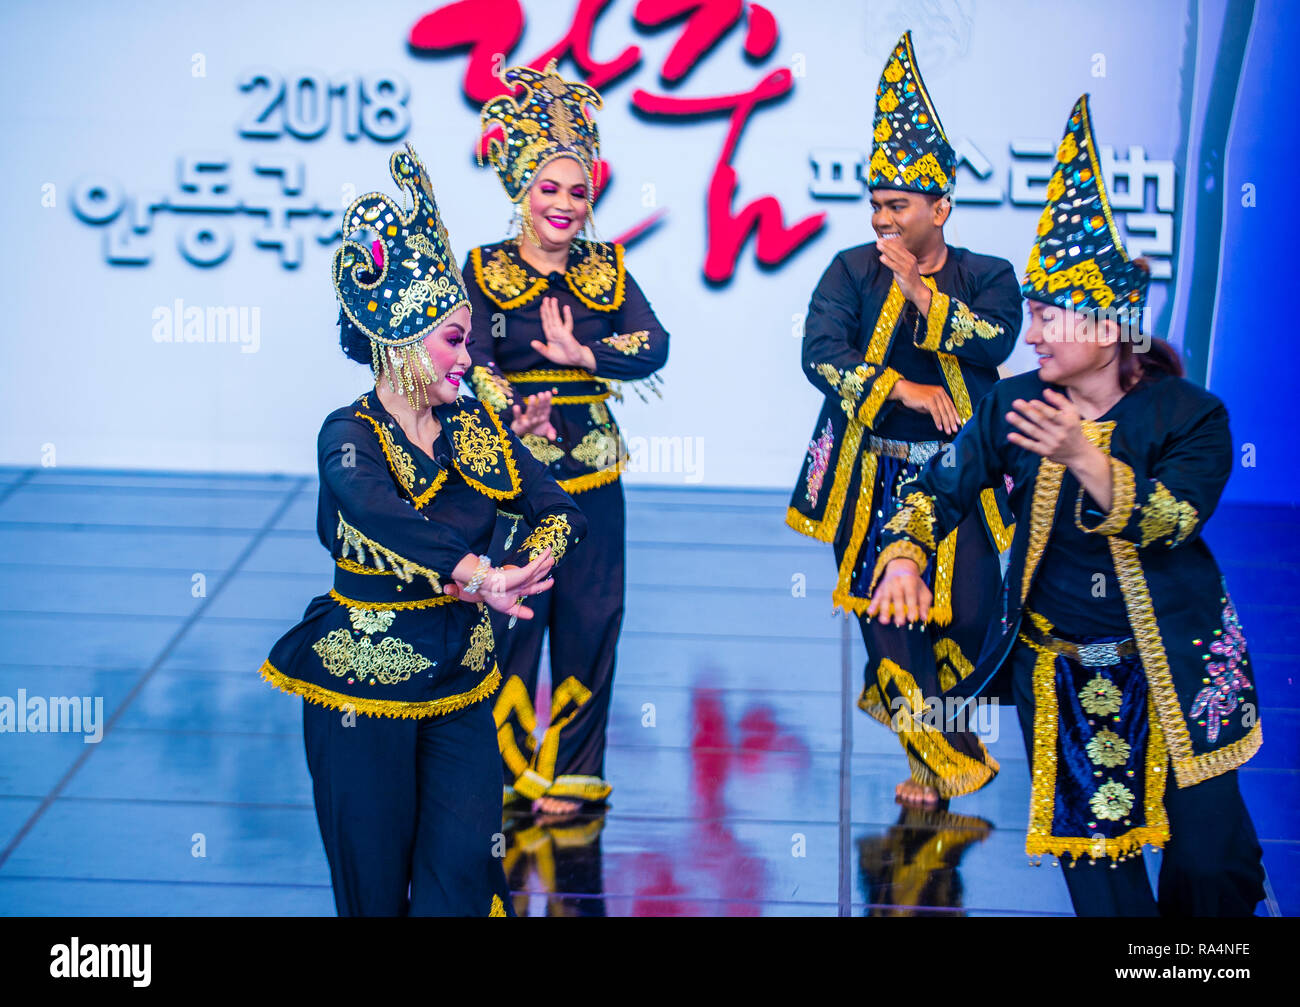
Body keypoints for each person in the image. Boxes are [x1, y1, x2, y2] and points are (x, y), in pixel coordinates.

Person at [867, 96, 1265, 916]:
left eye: (1052, 316)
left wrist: (1085, 457)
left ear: (1113, 325)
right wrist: (904, 552)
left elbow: (1173, 519)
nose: (1034, 334)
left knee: (1213, 869)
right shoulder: (1012, 402)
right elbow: (937, 488)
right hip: (1068, 675)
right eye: (1035, 313)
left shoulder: (1189, 415)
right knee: (1105, 881)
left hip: (1179, 668)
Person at [257, 144, 587, 916]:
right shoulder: (348, 434)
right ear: (400, 343)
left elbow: (558, 507)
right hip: (360, 694)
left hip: (463, 683)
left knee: (462, 882)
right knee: (373, 895)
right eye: (451, 339)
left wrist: (528, 565)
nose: (467, 358)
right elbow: (379, 513)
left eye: (467, 338)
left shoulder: (474, 422)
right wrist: (479, 573)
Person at [786, 31, 1021, 806]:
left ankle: (943, 743)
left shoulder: (986, 274)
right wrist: (901, 389)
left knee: (964, 617)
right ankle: (939, 759)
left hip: (961, 480)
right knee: (888, 620)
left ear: (941, 205)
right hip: (868, 474)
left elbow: (997, 338)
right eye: (877, 203)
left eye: (899, 204)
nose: (883, 217)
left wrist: (923, 297)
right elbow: (819, 354)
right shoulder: (849, 269)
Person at [463, 60, 669, 818]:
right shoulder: (483, 270)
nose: (564, 203)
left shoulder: (608, 268)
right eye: (549, 186)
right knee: (516, 617)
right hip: (514, 479)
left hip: (594, 474)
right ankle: (512, 768)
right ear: (520, 185)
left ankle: (576, 771)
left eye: (578, 189)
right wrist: (509, 411)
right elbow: (467, 360)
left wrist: (587, 356)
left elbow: (654, 346)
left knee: (592, 615)